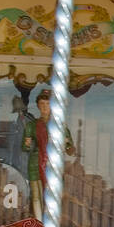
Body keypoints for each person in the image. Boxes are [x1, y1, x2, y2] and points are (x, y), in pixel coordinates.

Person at [22, 89, 74, 219]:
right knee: (36, 196)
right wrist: (28, 144)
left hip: (53, 165)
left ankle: (51, 222)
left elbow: (71, 150)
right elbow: (24, 147)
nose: (45, 107)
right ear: (38, 105)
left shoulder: (60, 126)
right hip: (35, 164)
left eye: (48, 103)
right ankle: (39, 223)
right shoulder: (31, 125)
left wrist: (66, 143)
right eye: (42, 104)